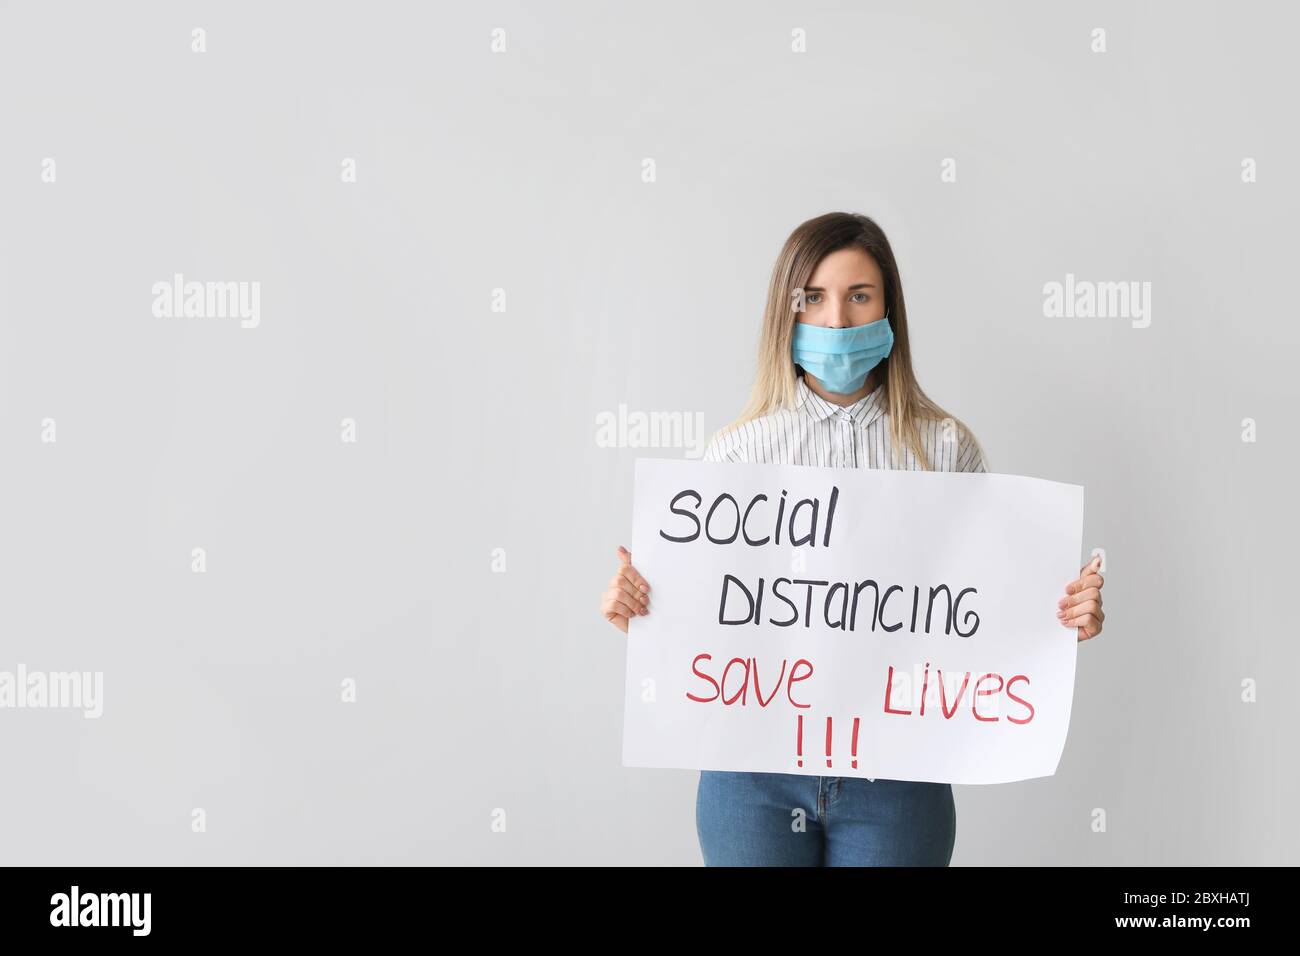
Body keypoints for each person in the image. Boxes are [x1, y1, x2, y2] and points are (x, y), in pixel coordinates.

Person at [601, 212, 1106, 866]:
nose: (837, 320)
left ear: (889, 308)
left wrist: (1061, 615)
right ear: (787, 315)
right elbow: (702, 608)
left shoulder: (944, 449)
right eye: (813, 298)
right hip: (751, 772)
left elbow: (986, 606)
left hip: (897, 775)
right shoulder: (736, 453)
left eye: (858, 296)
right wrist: (639, 606)